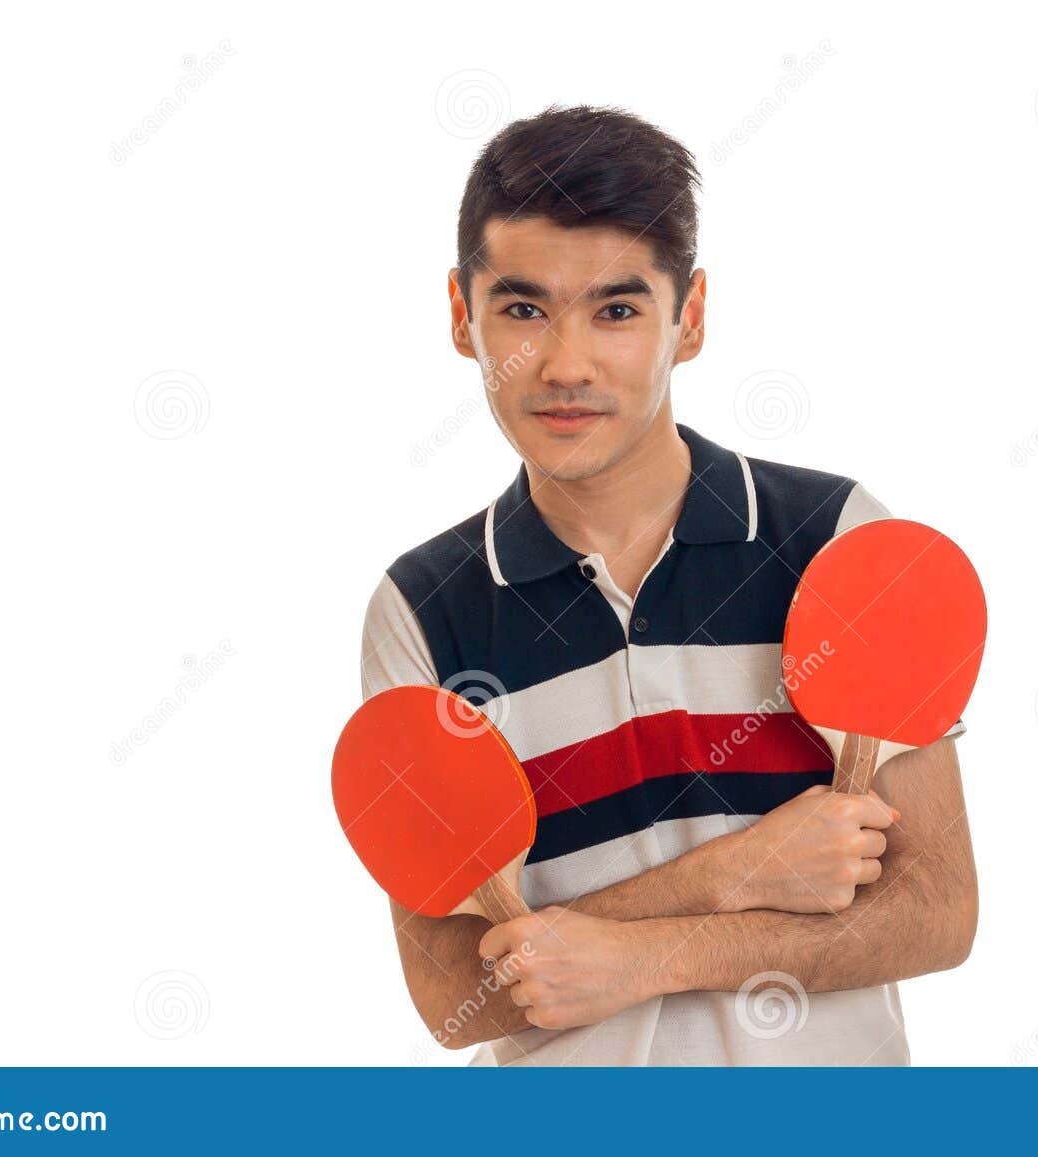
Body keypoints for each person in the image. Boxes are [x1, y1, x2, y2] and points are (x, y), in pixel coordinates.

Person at [360, 104, 977, 1066]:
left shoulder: (835, 537)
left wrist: (649, 953)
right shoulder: (421, 611)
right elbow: (452, 998)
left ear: (689, 318)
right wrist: (732, 873)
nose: (565, 365)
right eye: (523, 309)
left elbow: (936, 908)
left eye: (617, 310)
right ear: (459, 315)